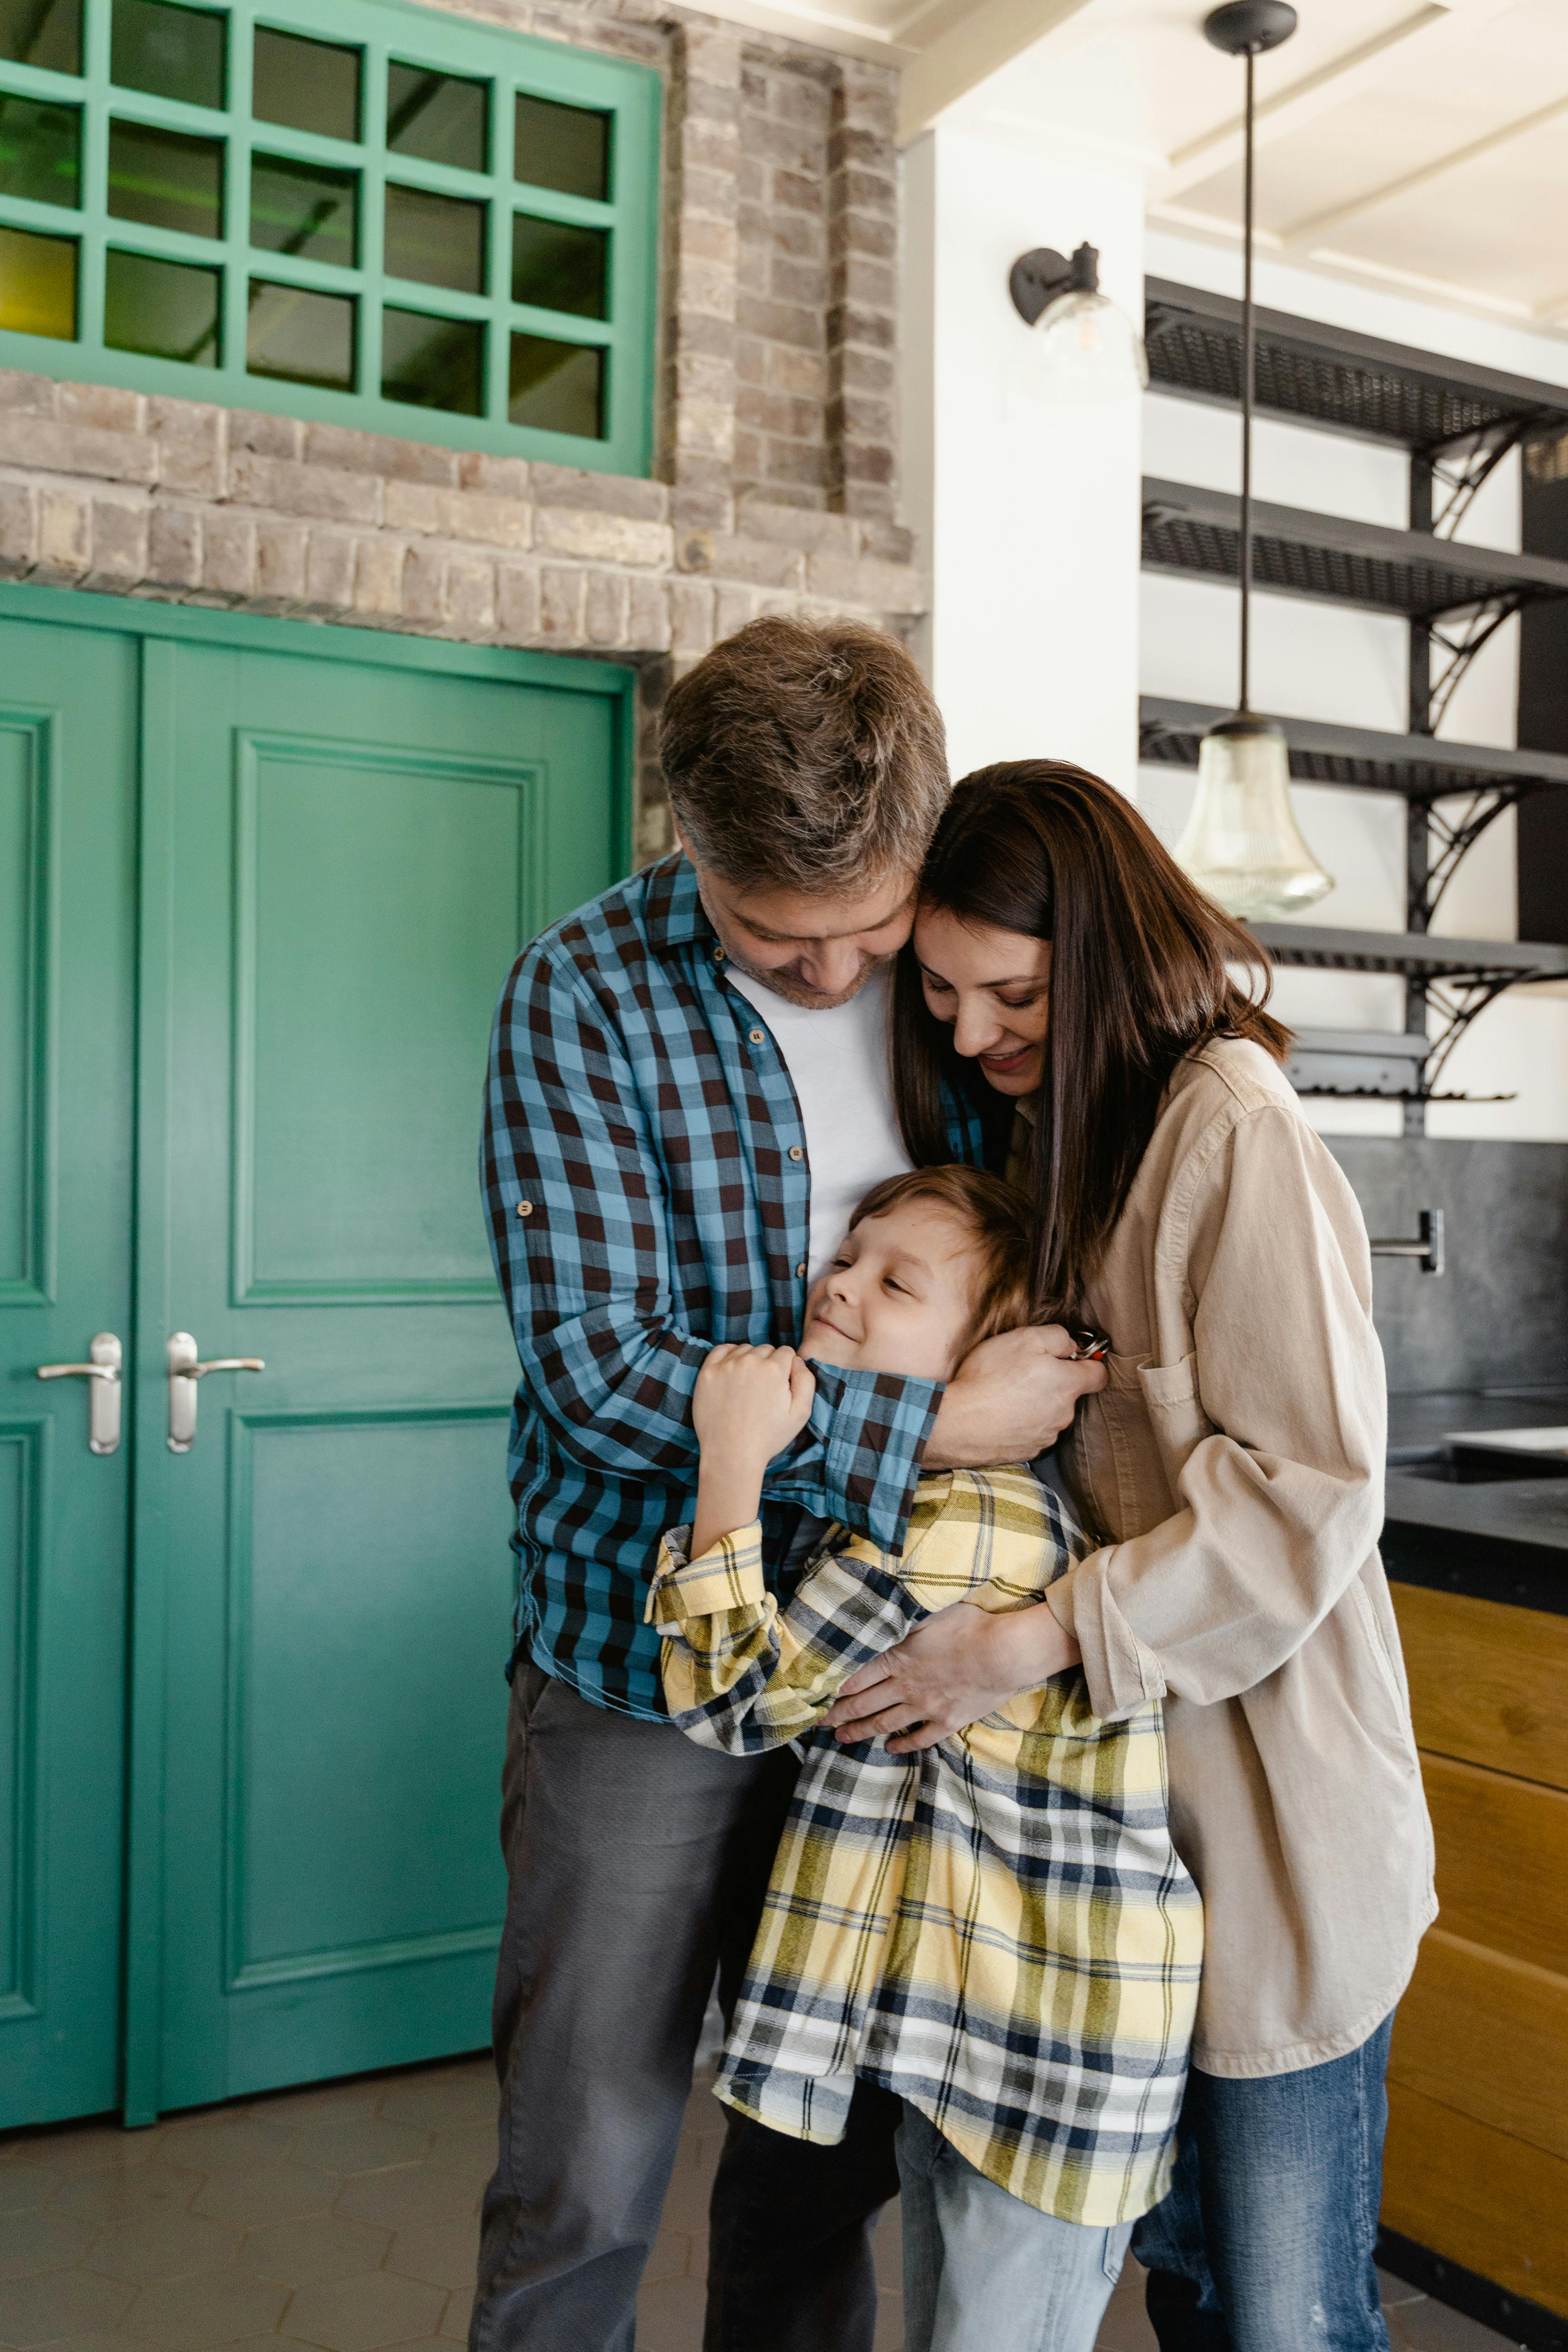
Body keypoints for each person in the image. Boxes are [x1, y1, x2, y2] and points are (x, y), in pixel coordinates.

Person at [473, 628, 1107, 2352]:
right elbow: (604, 1368)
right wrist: (931, 1435)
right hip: (638, 1660)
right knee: (584, 2163)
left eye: (870, 931)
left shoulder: (958, 975)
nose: (835, 977)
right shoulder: (584, 992)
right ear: (688, 846)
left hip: (896, 1679)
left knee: (814, 2164)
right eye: (775, 936)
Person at [824, 760, 1435, 2352]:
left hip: (1279, 1808)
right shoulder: (1076, 1126)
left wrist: (1017, 1642)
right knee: (1190, 2287)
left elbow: (1310, 1490)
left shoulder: (1235, 1126)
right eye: (943, 995)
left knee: (1283, 2316)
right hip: (1133, 1837)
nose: (967, 1036)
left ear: (1099, 952)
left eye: (1008, 992)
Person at [650, 1164, 1204, 2352]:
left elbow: (738, 1700)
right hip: (982, 2036)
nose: (839, 1284)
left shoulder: (959, 1530)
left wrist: (733, 1457)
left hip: (1046, 2049)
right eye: (848, 1255)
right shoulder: (940, 1499)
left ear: (989, 1368)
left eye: (896, 1282)